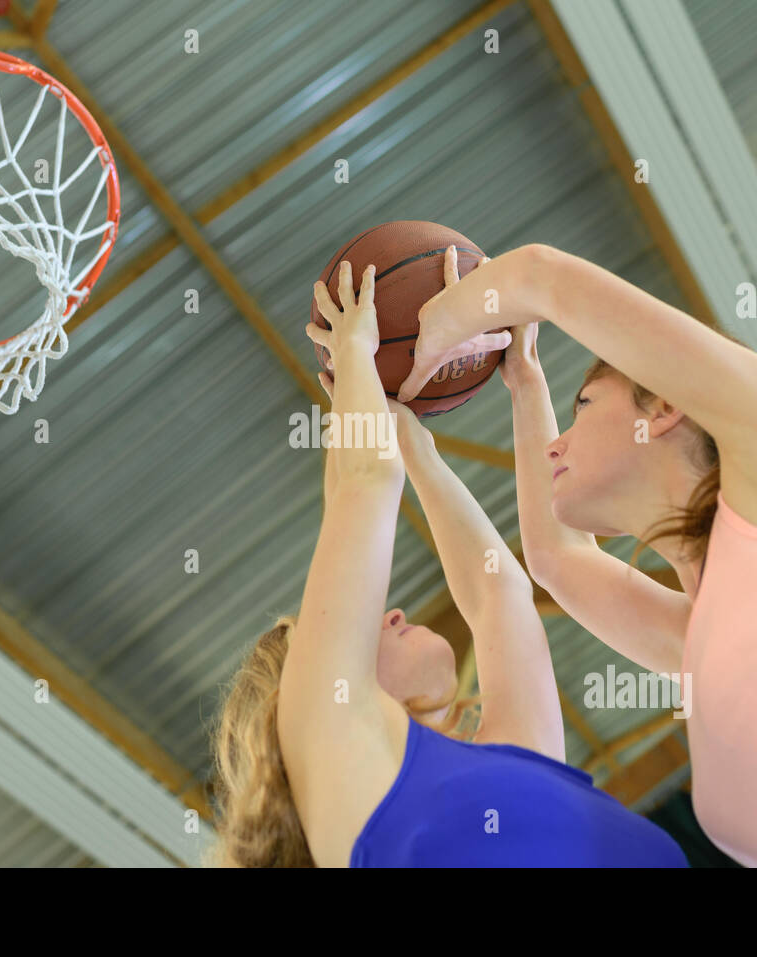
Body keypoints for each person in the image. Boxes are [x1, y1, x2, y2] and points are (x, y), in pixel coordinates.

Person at [398, 243, 757, 866]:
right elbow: (555, 558)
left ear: (661, 407)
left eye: (584, 408)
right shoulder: (702, 638)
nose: (556, 446)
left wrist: (431, 334)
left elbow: (542, 276)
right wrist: (520, 381)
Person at [205, 258, 687, 867]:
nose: (388, 611)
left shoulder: (512, 758)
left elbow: (498, 596)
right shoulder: (334, 757)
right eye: (343, 628)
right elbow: (363, 482)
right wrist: (354, 350)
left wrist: (422, 444)